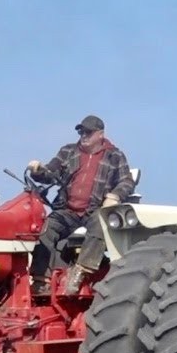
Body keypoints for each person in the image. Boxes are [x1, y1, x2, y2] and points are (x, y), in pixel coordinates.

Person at [25, 115, 136, 297]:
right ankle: (40, 280)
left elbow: (127, 182)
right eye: (81, 131)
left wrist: (115, 196)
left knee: (101, 223)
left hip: (94, 210)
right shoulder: (68, 151)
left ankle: (80, 271)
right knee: (46, 228)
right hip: (67, 210)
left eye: (88, 132)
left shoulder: (115, 156)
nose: (83, 135)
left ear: (100, 134)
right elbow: (51, 173)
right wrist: (38, 171)